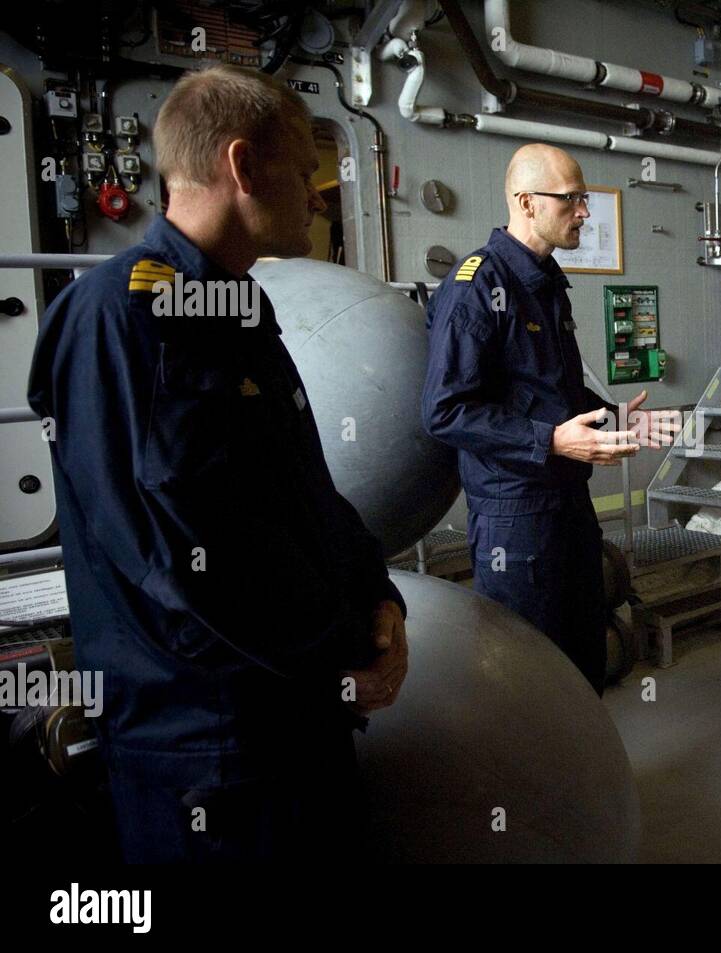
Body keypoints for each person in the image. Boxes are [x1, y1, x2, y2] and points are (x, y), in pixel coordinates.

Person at [26, 65, 407, 862]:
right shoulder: (120, 318)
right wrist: (340, 646)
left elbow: (303, 492)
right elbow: (178, 564)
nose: (315, 195)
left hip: (293, 718)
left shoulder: (237, 305)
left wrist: (378, 596)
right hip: (211, 748)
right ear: (242, 166)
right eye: (304, 173)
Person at [422, 143, 675, 694]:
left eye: (583, 198)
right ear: (527, 202)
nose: (584, 211)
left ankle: (581, 777)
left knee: (583, 658)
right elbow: (445, 410)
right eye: (572, 199)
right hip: (514, 518)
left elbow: (550, 392)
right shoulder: (476, 288)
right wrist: (553, 441)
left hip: (567, 505)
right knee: (528, 675)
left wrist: (609, 417)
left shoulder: (545, 283)